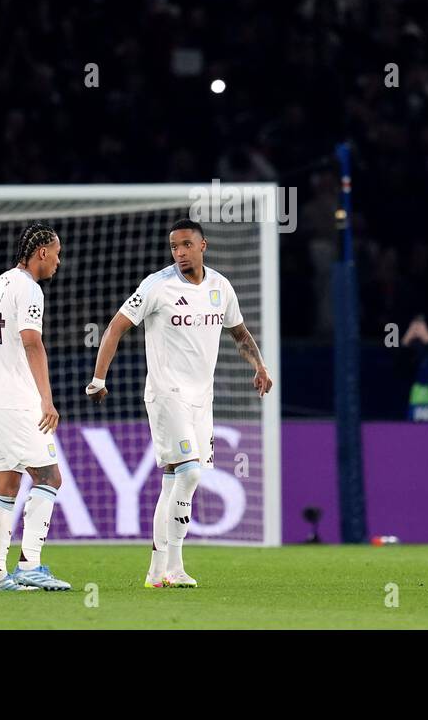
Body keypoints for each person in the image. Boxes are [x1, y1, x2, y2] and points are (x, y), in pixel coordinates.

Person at [86, 218, 273, 589]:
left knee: (174, 481)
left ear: (203, 246)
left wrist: (259, 365)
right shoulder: (157, 286)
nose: (180, 252)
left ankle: (158, 572)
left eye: (187, 245)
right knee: (189, 473)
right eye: (175, 247)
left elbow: (238, 333)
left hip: (202, 400)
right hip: (166, 394)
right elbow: (116, 327)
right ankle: (173, 567)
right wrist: (98, 378)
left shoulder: (221, 287)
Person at [0, 222, 72, 591]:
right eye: (57, 253)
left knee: (6, 485)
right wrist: (46, 399)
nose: (58, 262)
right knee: (49, 478)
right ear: (42, 252)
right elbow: (31, 342)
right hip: (16, 401)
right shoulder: (30, 289)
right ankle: (31, 564)